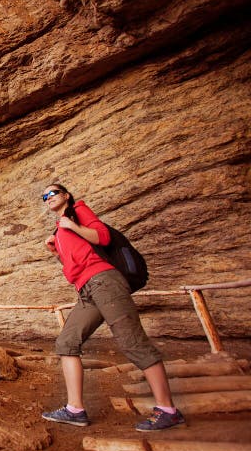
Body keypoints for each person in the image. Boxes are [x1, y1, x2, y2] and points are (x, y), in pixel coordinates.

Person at [39, 183, 185, 431]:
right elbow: (75, 265)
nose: (48, 198)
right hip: (87, 289)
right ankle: (75, 409)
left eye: (53, 193)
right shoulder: (60, 229)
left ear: (66, 195)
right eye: (45, 197)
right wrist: (56, 252)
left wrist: (71, 225)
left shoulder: (77, 211)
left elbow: (102, 237)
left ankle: (168, 410)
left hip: (104, 281)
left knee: (132, 341)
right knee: (66, 342)